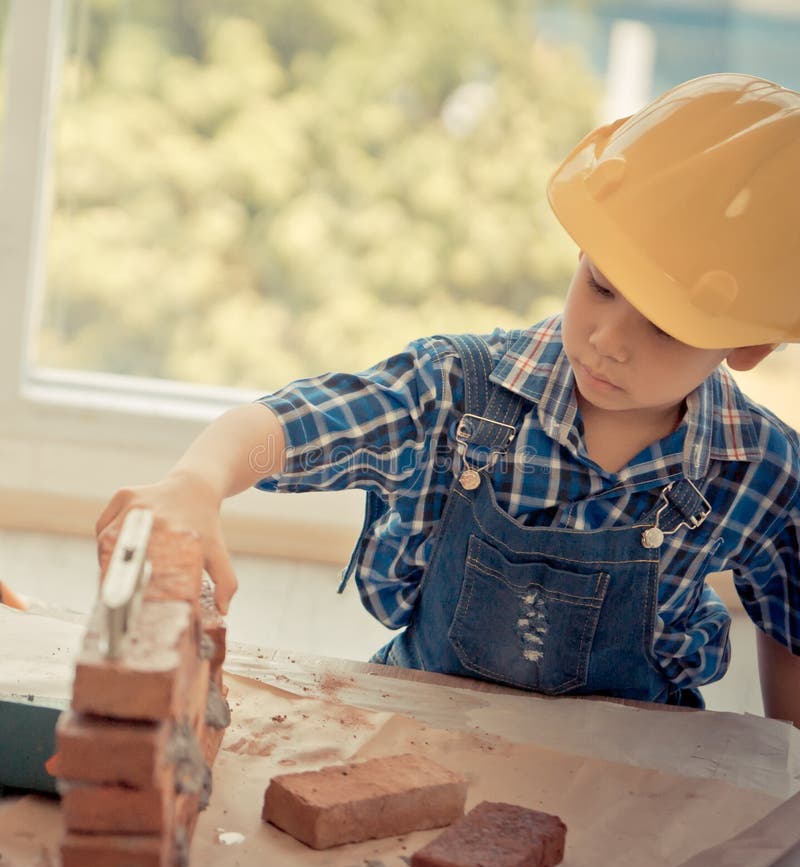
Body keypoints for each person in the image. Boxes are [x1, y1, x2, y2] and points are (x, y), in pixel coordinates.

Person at [97, 73, 800, 726]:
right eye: (601, 286)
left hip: (638, 766)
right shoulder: (457, 393)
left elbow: (791, 624)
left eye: (666, 327)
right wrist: (199, 480)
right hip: (421, 733)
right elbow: (296, 424)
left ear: (748, 344)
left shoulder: (763, 472)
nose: (607, 340)